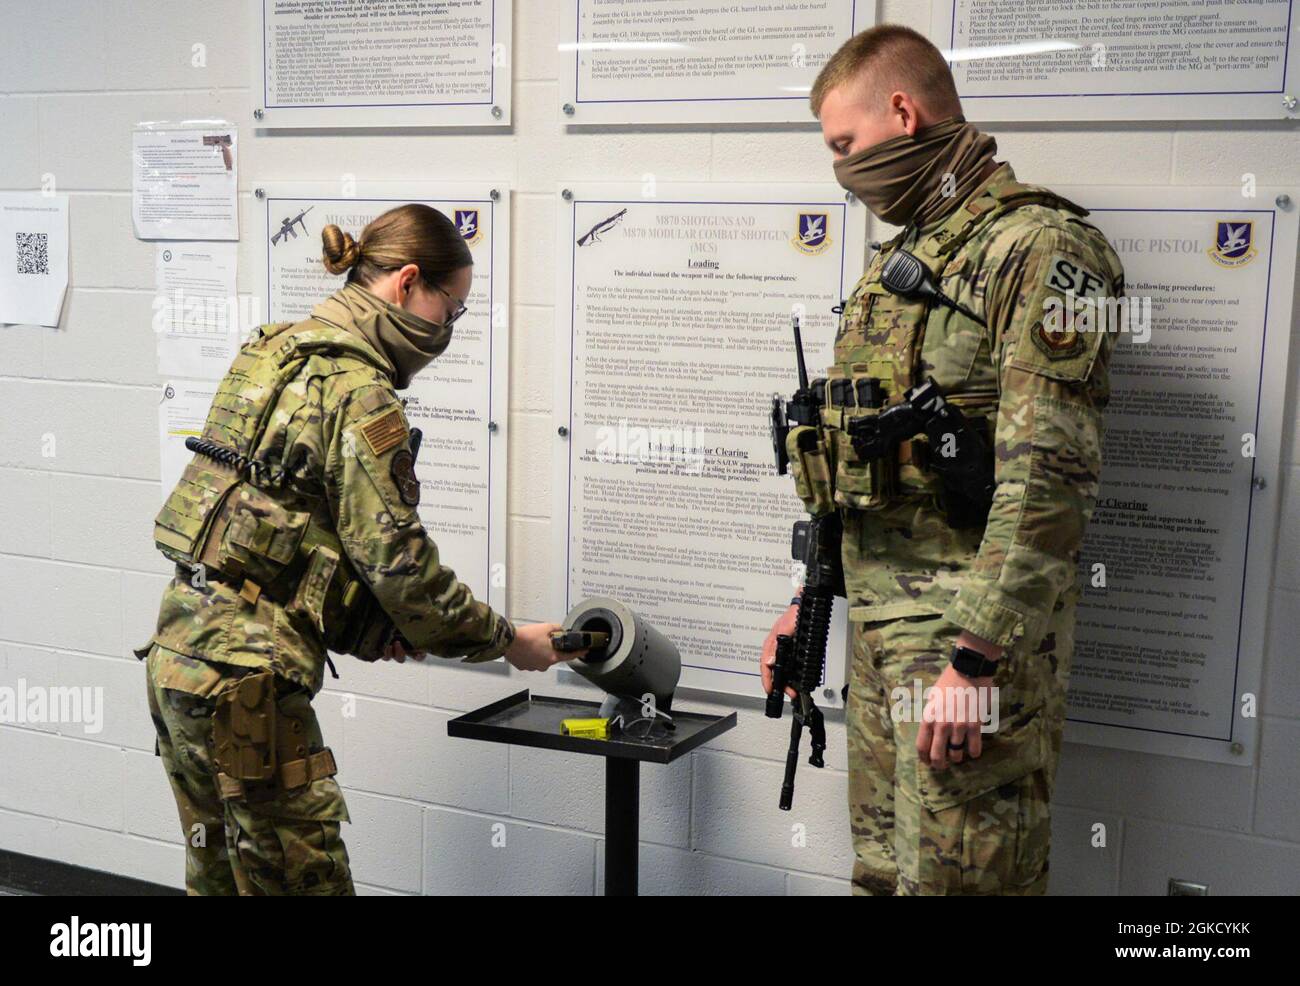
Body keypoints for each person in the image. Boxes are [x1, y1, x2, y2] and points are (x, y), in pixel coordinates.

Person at [761, 25, 1124, 895]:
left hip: (967, 651)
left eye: (844, 145)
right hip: (883, 639)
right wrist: (809, 598)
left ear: (902, 111)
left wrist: (976, 658)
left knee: (965, 886)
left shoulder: (1043, 249)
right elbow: (858, 459)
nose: (841, 171)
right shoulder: (901, 262)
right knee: (884, 877)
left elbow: (1051, 479)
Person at [135, 204, 576, 895]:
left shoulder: (272, 349)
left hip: (178, 661)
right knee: (302, 884)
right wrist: (507, 638)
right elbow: (403, 573)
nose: (444, 332)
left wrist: (365, 625)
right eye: (449, 310)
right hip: (250, 685)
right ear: (406, 283)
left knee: (221, 881)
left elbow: (273, 528)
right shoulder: (362, 395)